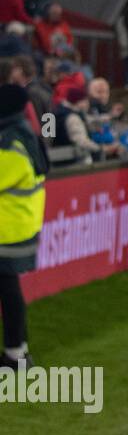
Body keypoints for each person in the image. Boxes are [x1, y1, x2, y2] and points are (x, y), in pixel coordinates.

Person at [0, 84, 47, 371]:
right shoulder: (25, 133)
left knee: (8, 290)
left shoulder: (9, 142)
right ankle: (19, 352)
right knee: (9, 290)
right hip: (20, 226)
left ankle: (16, 355)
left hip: (7, 229)